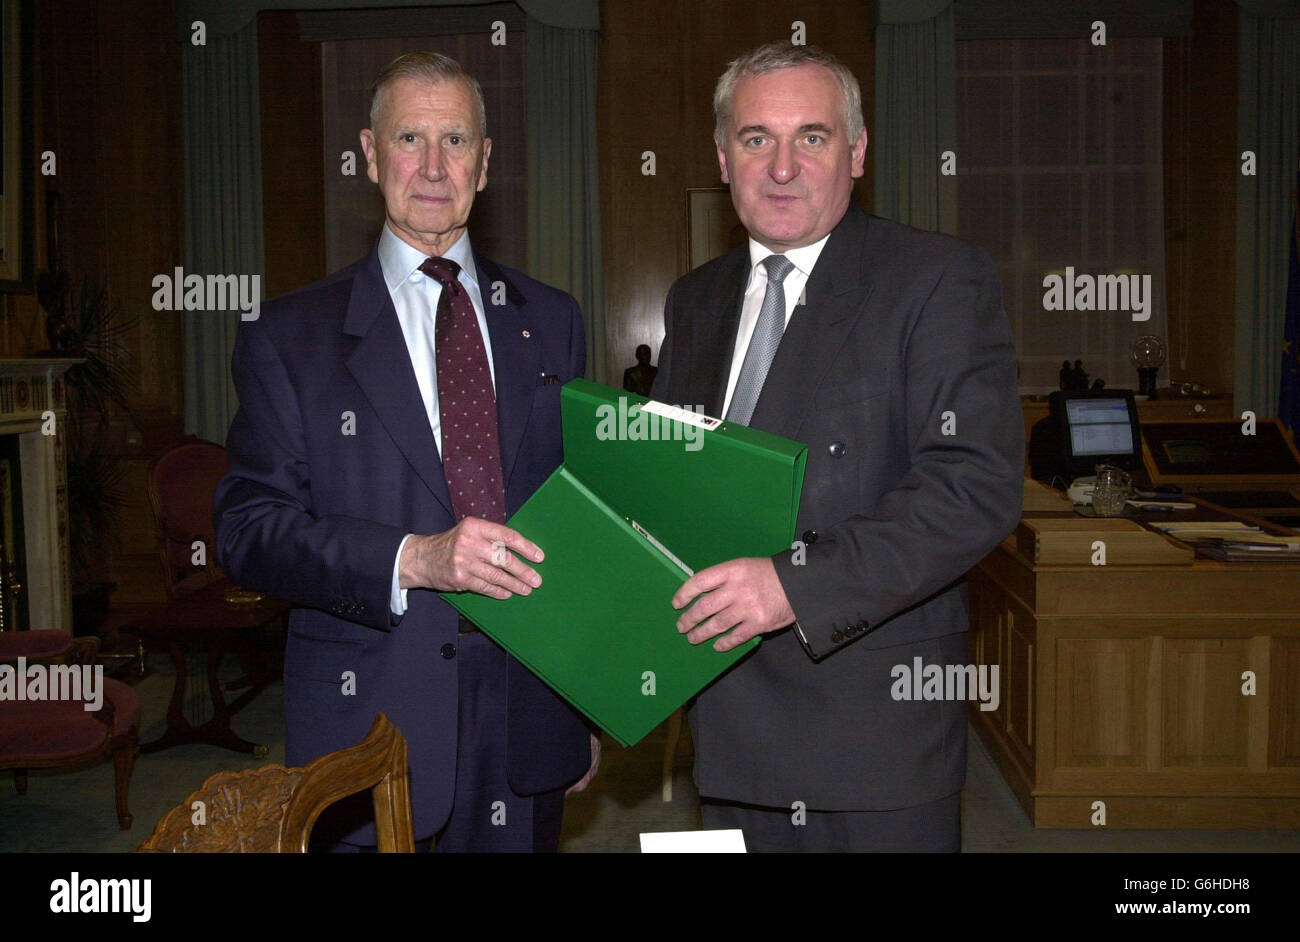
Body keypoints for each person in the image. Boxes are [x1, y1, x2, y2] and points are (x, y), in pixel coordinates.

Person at [214, 52, 597, 852]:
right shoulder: (289, 337)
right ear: (368, 153)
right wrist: (414, 559)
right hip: (372, 730)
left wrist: (587, 703)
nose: (432, 166)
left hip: (529, 725)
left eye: (456, 139)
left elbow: (582, 521)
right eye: (409, 138)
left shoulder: (553, 320)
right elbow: (249, 531)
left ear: (485, 163)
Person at [654, 42, 1023, 852]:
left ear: (856, 153)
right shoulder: (696, 299)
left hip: (870, 735)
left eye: (811, 137)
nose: (782, 166)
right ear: (723, 157)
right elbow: (670, 488)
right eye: (756, 139)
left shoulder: (935, 279)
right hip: (725, 715)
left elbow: (974, 488)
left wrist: (795, 586)